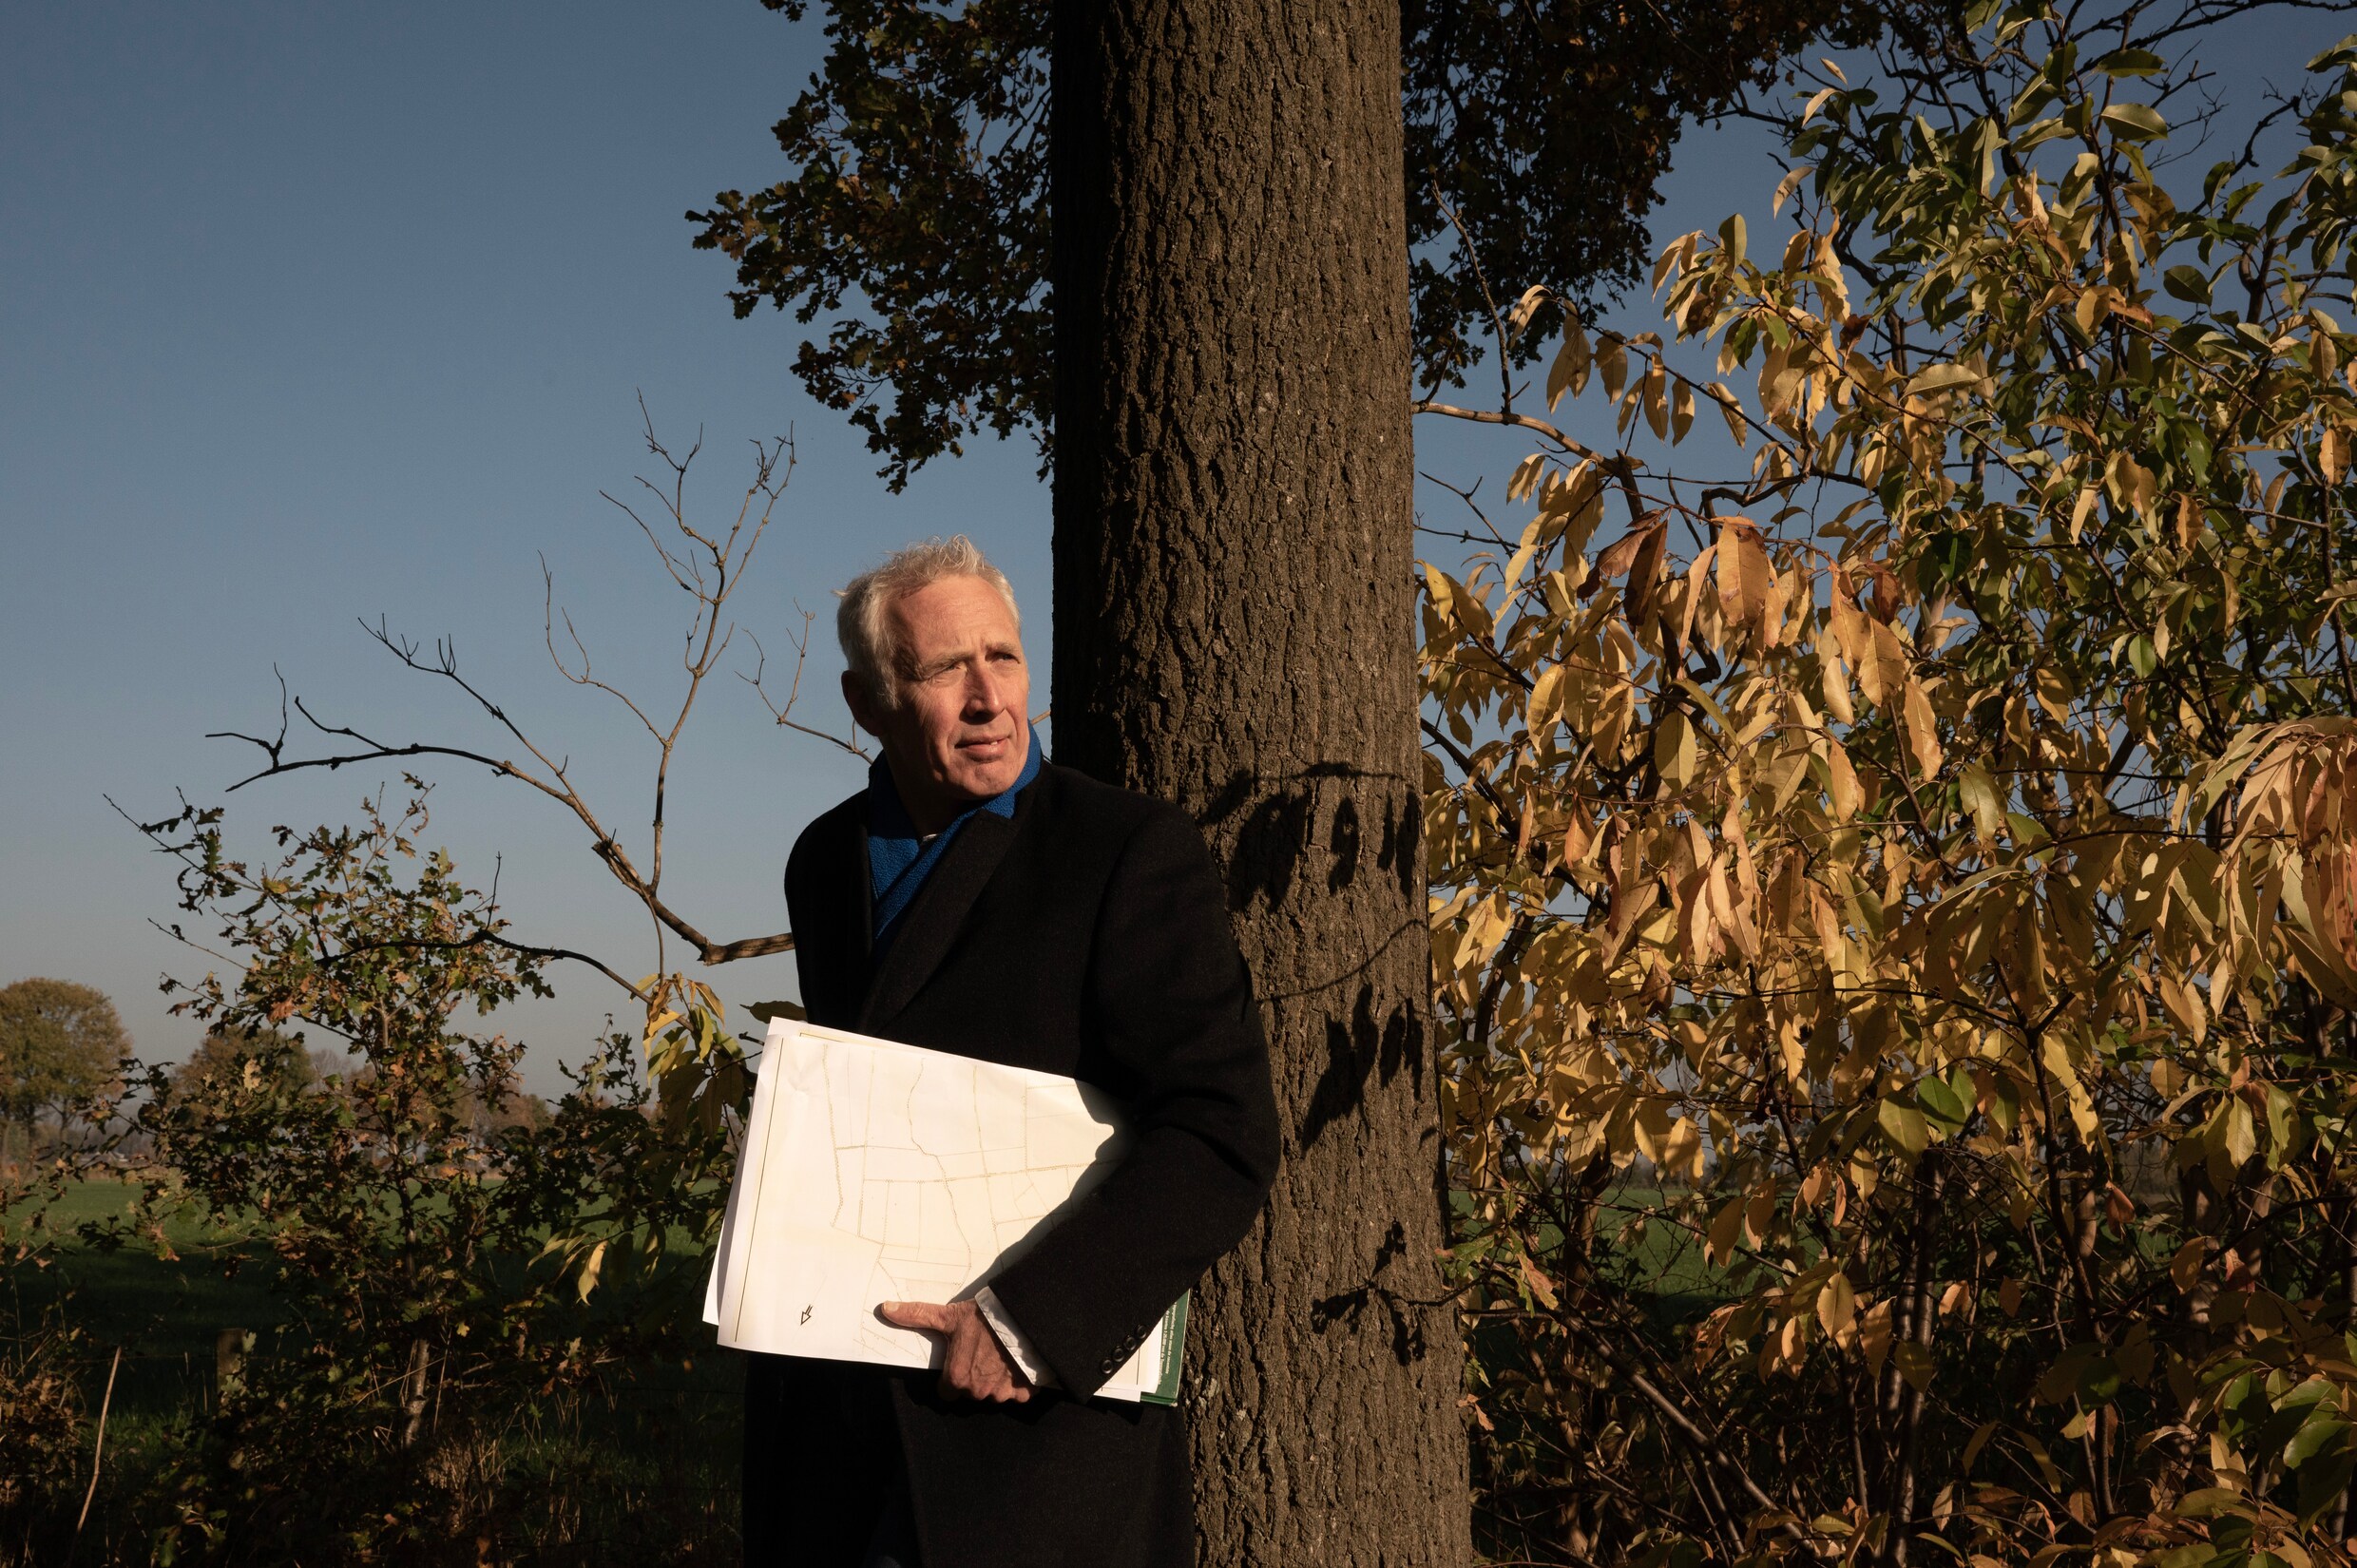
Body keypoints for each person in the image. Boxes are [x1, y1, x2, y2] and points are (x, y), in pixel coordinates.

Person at [742, 536, 1281, 1568]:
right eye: (946, 668)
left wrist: (1028, 1323)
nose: (988, 696)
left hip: (1030, 1451)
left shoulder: (1124, 850)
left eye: (1003, 658)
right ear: (868, 702)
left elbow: (1221, 1131)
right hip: (835, 1431)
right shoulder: (823, 858)